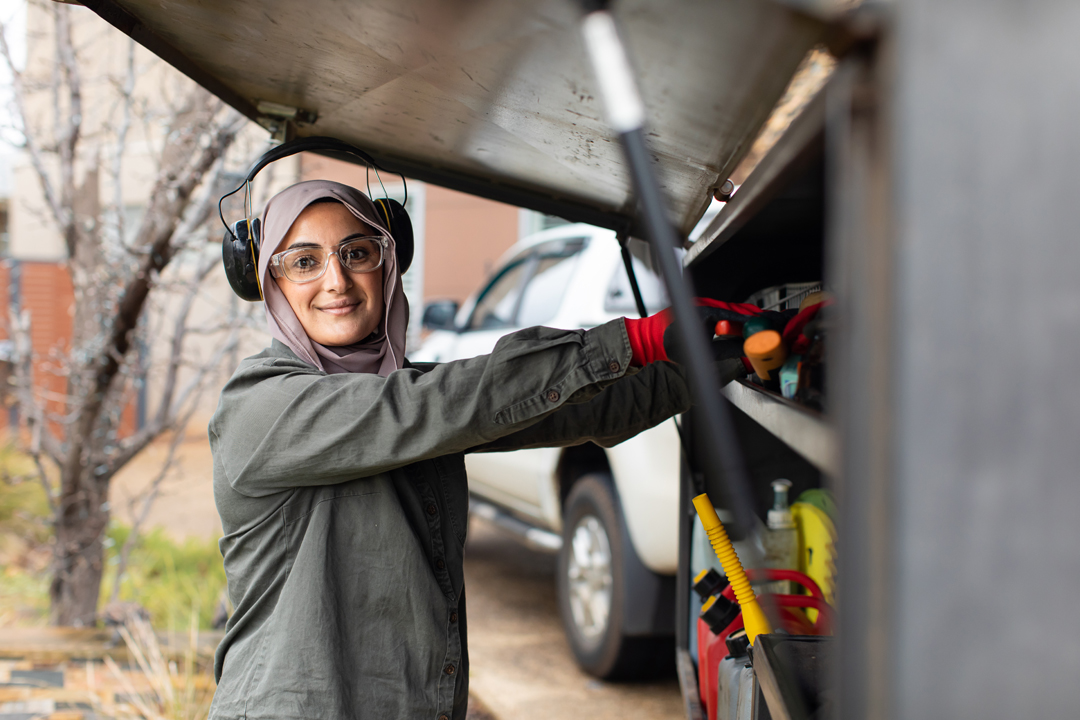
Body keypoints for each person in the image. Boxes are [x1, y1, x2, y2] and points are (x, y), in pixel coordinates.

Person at [208, 179, 744, 720]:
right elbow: (443, 404)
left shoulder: (412, 395)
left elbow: (574, 409)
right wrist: (630, 340)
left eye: (357, 252)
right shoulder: (259, 408)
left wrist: (730, 354)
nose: (337, 280)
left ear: (388, 260)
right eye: (304, 261)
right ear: (267, 279)